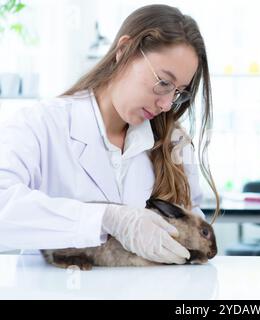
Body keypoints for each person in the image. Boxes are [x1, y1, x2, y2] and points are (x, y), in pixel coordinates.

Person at [0, 4, 219, 265]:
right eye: (163, 82)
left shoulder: (175, 142)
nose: (166, 104)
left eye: (178, 92)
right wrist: (105, 218)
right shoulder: (42, 124)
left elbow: (194, 226)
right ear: (124, 51)